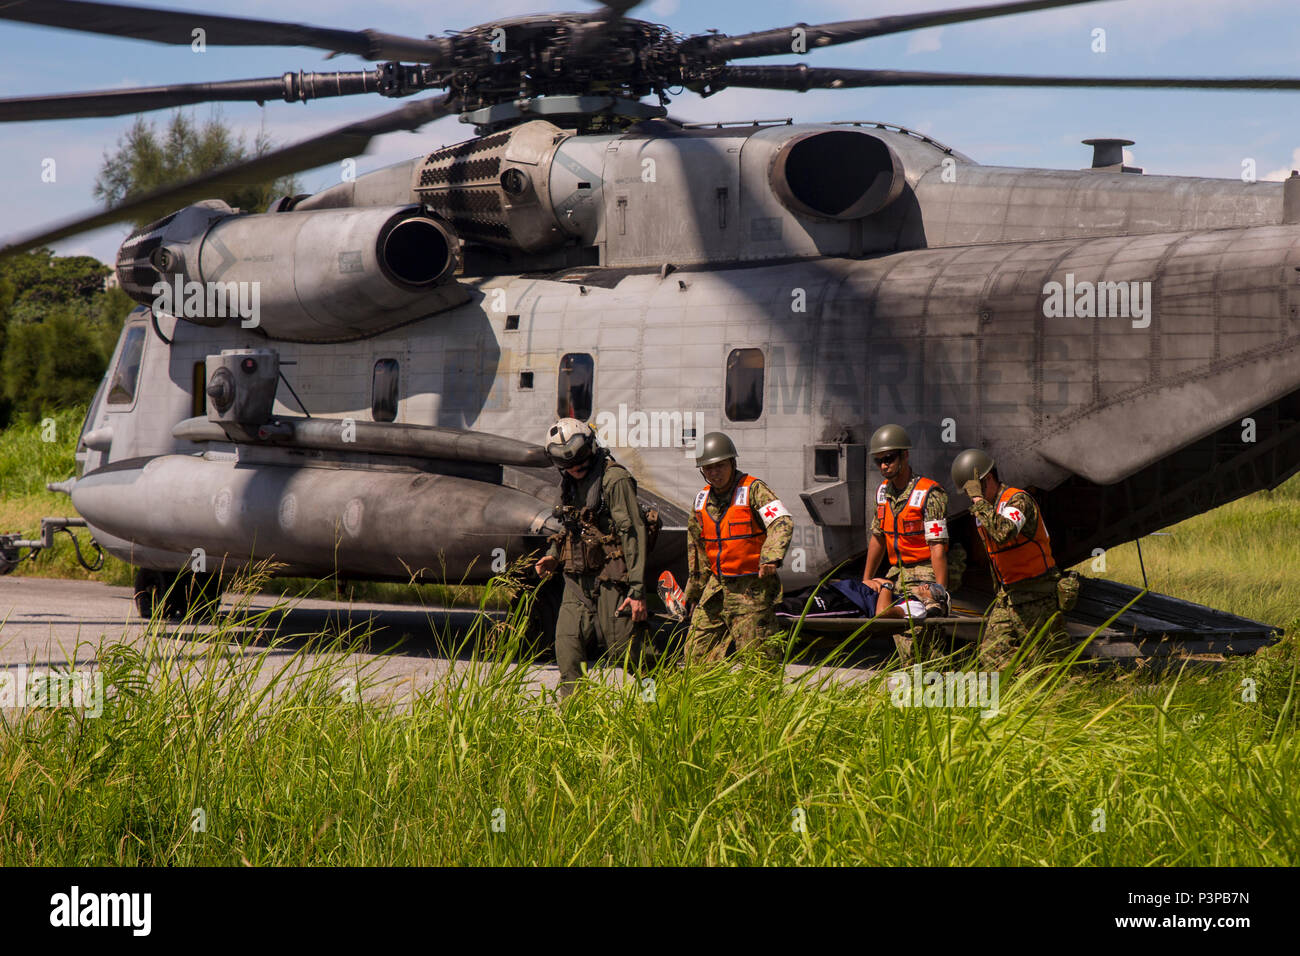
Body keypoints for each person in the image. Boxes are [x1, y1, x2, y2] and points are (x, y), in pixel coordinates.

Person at [534, 418, 651, 699]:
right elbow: (570, 527)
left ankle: (656, 703)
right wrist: (552, 556)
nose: (574, 467)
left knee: (630, 653)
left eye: (579, 458)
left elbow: (633, 534)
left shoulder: (614, 480)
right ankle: (574, 718)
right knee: (567, 653)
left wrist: (636, 591)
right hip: (576, 581)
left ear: (591, 447)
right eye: (565, 463)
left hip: (611, 579)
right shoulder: (570, 483)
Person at [951, 447, 1071, 669]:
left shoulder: (1017, 500)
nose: (970, 497)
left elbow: (1003, 533)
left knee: (1048, 662)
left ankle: (1058, 695)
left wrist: (978, 501)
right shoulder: (986, 511)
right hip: (1010, 596)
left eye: (971, 490)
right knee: (991, 652)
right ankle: (1023, 693)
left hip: (1037, 595)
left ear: (986, 479)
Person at [683, 432, 794, 665]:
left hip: (751, 587)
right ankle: (707, 699)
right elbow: (697, 550)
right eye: (708, 468)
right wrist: (694, 593)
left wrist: (771, 557)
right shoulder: (701, 500)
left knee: (759, 661)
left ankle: (764, 701)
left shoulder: (753, 489)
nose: (714, 473)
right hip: (717, 588)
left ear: (732, 463)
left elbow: (780, 522)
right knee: (696, 654)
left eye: (720, 466)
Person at [859, 423, 954, 662]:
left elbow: (937, 547)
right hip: (896, 574)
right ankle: (917, 690)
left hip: (924, 574)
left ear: (905, 455)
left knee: (925, 645)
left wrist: (940, 593)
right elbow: (878, 536)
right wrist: (867, 577)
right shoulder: (882, 492)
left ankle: (936, 689)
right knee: (904, 646)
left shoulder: (929, 493)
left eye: (889, 458)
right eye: (878, 461)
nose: (883, 465)